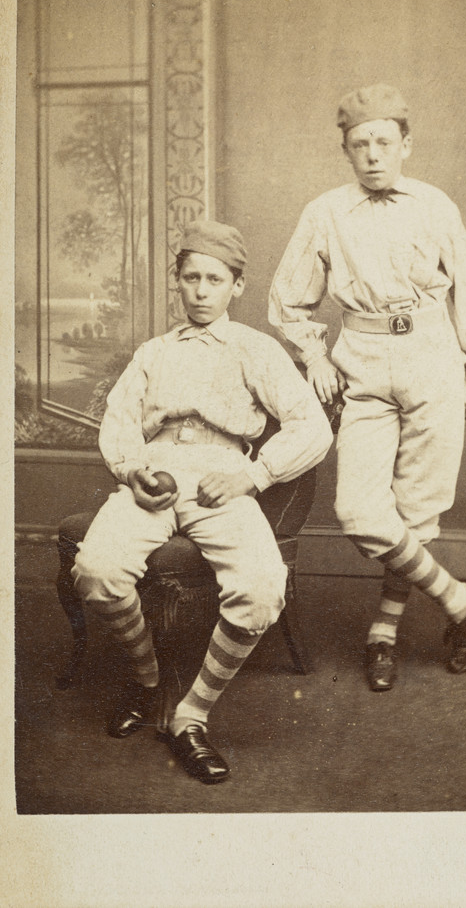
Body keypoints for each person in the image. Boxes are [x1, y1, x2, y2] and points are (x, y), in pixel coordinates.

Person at [71, 220, 333, 784]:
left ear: (236, 286)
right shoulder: (154, 351)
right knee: (95, 572)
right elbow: (119, 422)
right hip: (155, 470)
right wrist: (131, 469)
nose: (201, 290)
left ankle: (191, 713)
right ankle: (147, 680)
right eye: (191, 277)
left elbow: (312, 428)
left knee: (263, 589)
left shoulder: (255, 349)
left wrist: (253, 477)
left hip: (222, 476)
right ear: (178, 281)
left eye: (215, 278)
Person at [269, 83, 466, 691]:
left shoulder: (436, 206)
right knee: (360, 511)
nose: (372, 154)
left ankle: (384, 632)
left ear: (406, 145)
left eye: (383, 142)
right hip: (363, 363)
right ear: (346, 151)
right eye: (359, 144)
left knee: (417, 514)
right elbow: (289, 298)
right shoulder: (326, 211)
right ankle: (458, 598)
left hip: (432, 358)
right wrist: (314, 355)